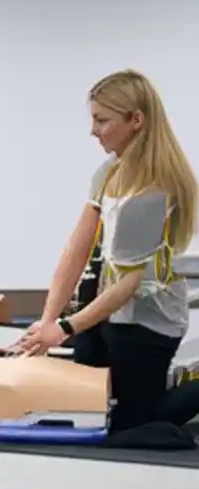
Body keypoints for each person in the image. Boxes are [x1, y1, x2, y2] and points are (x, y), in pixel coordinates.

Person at [15, 70, 199, 434]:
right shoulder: (108, 173)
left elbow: (129, 284)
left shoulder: (152, 190)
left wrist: (65, 327)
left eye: (102, 120)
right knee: (91, 406)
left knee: (134, 426)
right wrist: (48, 321)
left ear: (135, 121)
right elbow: (76, 248)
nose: (93, 130)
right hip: (107, 307)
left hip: (148, 319)